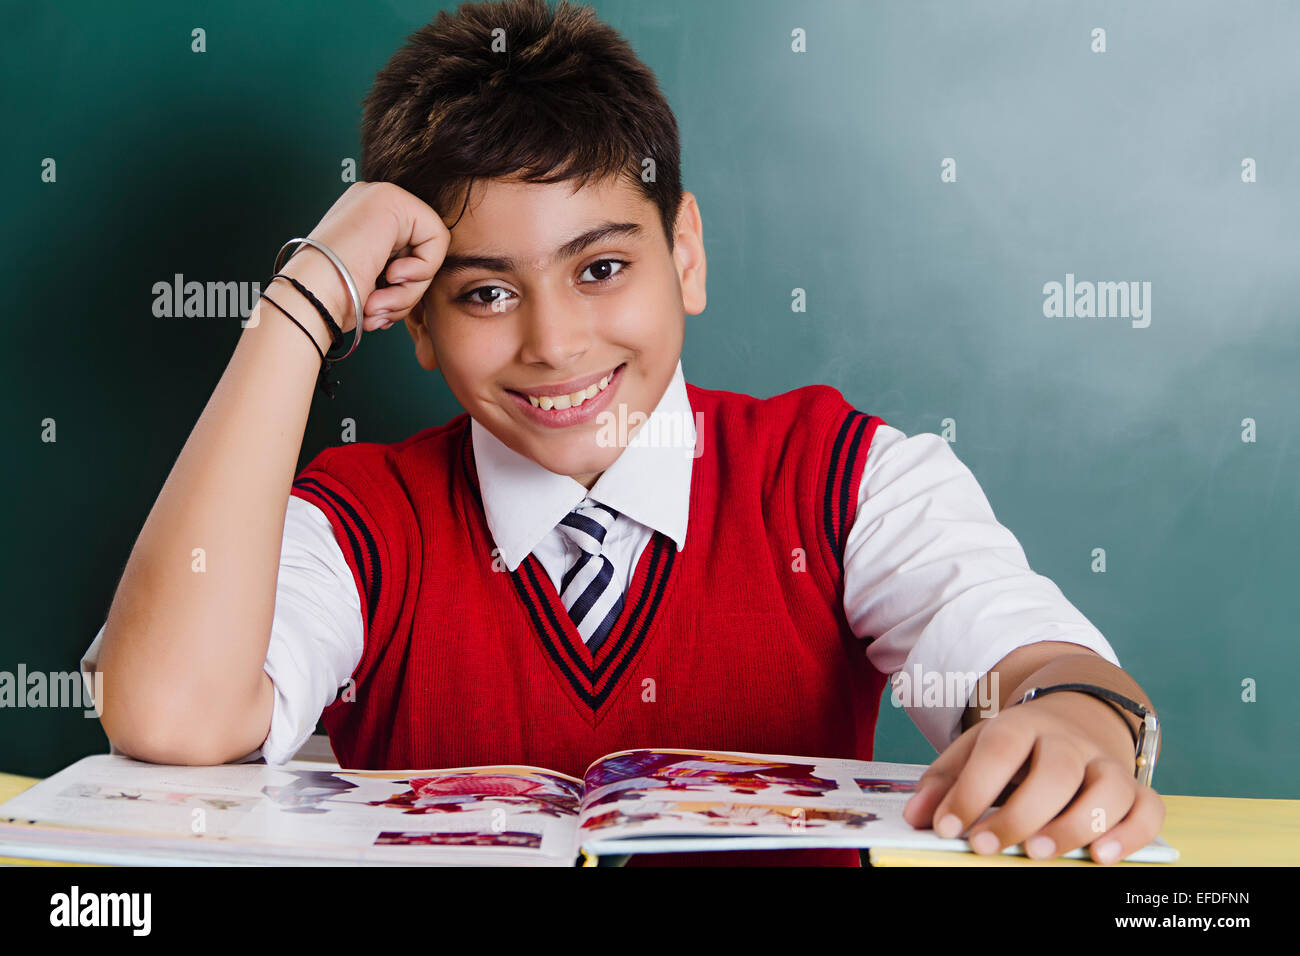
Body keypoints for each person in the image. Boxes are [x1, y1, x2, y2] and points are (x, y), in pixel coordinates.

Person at [80, 0, 1163, 866]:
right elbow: (173, 712)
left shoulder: (845, 479)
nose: (554, 343)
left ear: (684, 254)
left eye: (601, 269)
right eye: (484, 294)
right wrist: (307, 292)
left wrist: (1073, 718)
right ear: (413, 322)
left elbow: (1023, 652)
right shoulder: (364, 523)